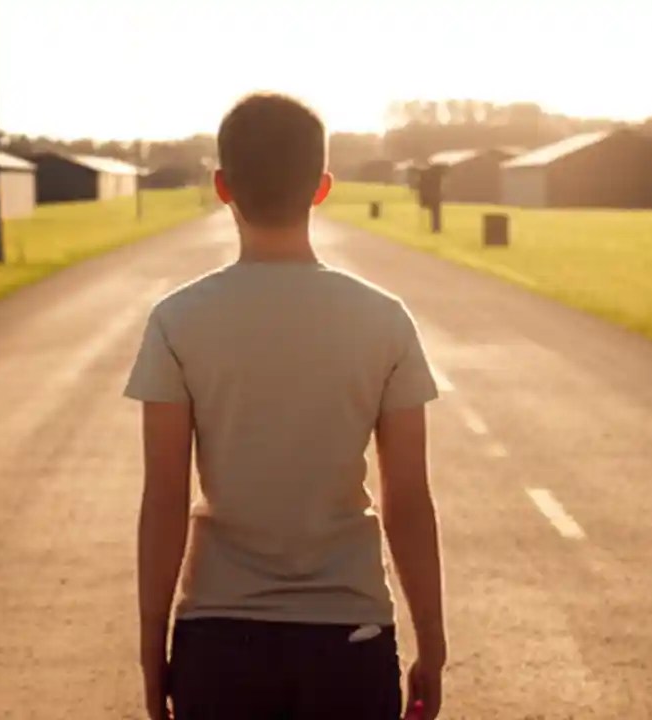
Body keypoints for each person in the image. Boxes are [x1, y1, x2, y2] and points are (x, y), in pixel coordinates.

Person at [126, 92, 446, 720]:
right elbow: (408, 498)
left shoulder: (176, 322)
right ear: (323, 187)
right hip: (350, 639)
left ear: (222, 186)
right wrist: (431, 647)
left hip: (219, 644)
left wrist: (150, 654)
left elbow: (164, 497)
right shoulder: (384, 321)